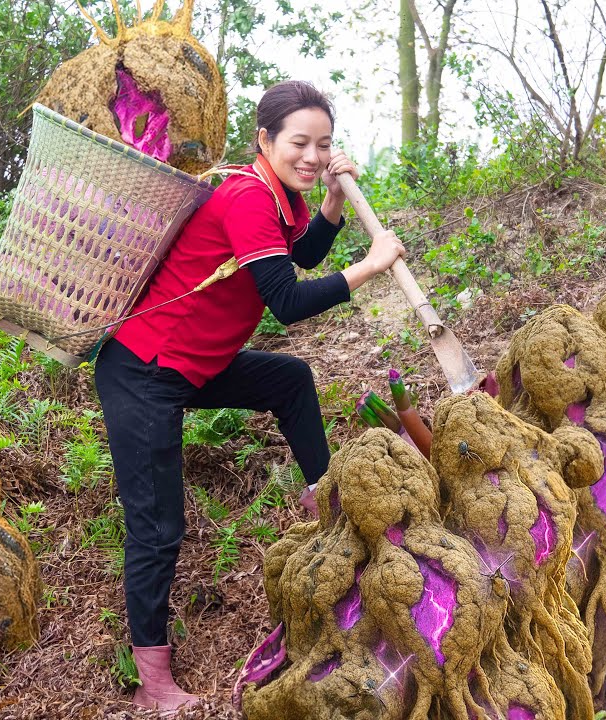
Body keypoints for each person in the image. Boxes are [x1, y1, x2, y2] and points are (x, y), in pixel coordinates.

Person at [93, 80, 406, 710]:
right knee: (157, 527)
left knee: (289, 381)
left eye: (324, 145)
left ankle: (327, 502)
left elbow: (300, 252)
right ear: (265, 139)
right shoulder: (245, 196)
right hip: (144, 369)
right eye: (300, 143)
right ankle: (152, 682)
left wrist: (335, 203)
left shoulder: (279, 194)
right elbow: (286, 301)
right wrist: (371, 264)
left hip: (193, 366)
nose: (313, 156)